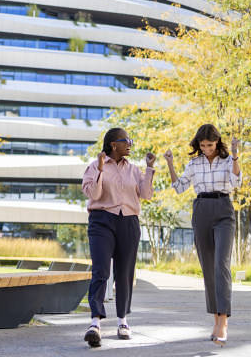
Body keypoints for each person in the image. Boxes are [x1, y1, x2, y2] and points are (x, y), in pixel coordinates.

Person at [163, 124, 241, 347]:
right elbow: (179, 187)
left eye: (209, 145)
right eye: (202, 145)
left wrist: (235, 156)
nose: (206, 149)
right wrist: (170, 163)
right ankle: (215, 320)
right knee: (208, 268)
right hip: (201, 211)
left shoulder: (227, 160)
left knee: (221, 265)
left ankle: (224, 321)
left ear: (217, 142)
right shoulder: (194, 163)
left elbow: (236, 182)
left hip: (224, 210)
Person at [81, 127, 156, 348]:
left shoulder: (134, 170)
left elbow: (146, 195)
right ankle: (95, 322)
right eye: (127, 140)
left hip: (129, 222)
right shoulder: (95, 166)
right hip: (101, 220)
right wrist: (101, 170)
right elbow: (94, 194)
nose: (130, 144)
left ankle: (123, 321)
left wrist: (149, 168)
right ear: (114, 144)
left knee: (124, 274)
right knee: (101, 271)